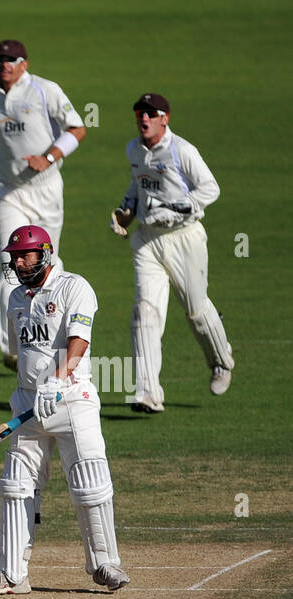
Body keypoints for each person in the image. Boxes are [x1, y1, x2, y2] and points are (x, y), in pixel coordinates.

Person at [0, 225, 130, 596]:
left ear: (45, 253)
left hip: (71, 399)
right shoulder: (15, 297)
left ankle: (105, 564)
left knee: (90, 484)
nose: (16, 262)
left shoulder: (74, 287)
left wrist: (57, 380)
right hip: (28, 405)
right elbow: (22, 352)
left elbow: (78, 343)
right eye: (13, 256)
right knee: (16, 488)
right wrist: (31, 390)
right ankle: (12, 574)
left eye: (23, 255)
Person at [0, 41, 85, 368]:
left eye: (11, 59)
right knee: (11, 267)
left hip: (44, 190)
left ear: (24, 64)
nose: (5, 64)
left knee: (46, 265)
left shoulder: (46, 91)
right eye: (0, 59)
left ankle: (55, 335)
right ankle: (13, 349)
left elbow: (77, 128)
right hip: (6, 191)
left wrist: (49, 158)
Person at [111, 92, 234, 412]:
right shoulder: (133, 149)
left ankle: (221, 361)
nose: (144, 118)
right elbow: (136, 186)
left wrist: (182, 207)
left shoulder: (182, 150)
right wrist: (125, 212)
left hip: (185, 238)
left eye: (151, 114)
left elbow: (211, 188)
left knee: (196, 311)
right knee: (144, 311)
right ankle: (148, 392)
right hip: (148, 241)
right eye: (140, 113)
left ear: (165, 118)